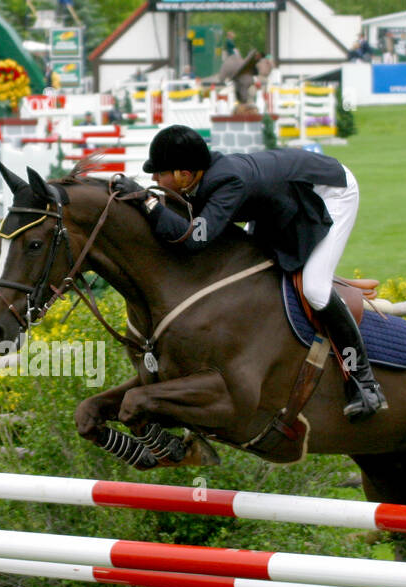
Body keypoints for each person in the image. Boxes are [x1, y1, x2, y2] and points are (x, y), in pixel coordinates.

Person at [109, 125, 387, 422]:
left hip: (330, 193)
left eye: (159, 173)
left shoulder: (228, 180)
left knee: (314, 288)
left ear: (184, 175)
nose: (154, 179)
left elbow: (194, 238)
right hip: (280, 203)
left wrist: (147, 202)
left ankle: (365, 383)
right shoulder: (201, 180)